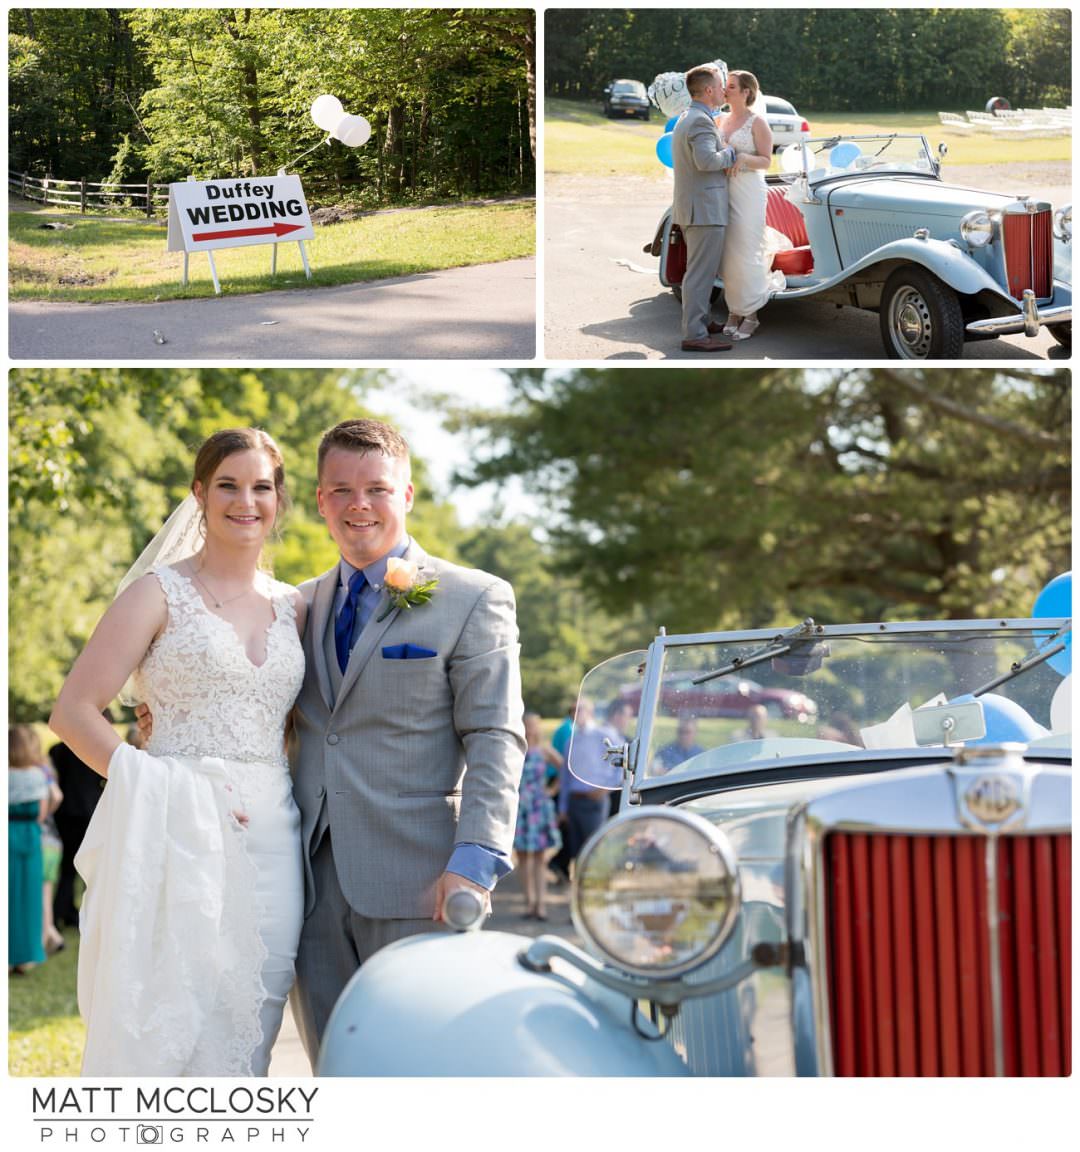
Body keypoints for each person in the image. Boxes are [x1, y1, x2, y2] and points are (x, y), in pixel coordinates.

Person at [49, 428, 306, 1076]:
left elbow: (291, 720)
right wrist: (165, 788)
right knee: (175, 1016)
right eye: (228, 485)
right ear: (198, 493)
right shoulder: (157, 594)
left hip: (275, 838)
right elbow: (73, 712)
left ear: (278, 499)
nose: (245, 501)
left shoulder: (294, 607)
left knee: (255, 1015)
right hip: (178, 833)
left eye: (261, 487)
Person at [287, 418, 525, 1067]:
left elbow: (496, 737)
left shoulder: (473, 597)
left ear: (408, 495)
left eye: (377, 489)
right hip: (307, 886)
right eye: (340, 490)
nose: (358, 505)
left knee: (424, 1069)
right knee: (331, 1064)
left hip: (423, 880)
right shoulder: (296, 607)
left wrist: (475, 861)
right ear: (319, 501)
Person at [672, 63, 737, 352]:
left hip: (695, 207)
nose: (724, 89)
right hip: (704, 210)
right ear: (709, 90)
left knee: (700, 273)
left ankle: (701, 321)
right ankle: (695, 335)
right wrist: (732, 153)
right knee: (700, 275)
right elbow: (706, 161)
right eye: (720, 84)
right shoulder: (698, 121)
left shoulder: (689, 116)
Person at [717, 70, 775, 340]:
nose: (725, 90)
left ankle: (751, 314)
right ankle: (733, 311)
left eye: (730, 86)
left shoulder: (757, 122)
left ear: (746, 92)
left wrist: (742, 157)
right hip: (722, 191)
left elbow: (766, 160)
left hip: (749, 190)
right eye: (724, 86)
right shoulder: (720, 119)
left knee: (746, 249)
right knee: (727, 252)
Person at [49, 724, 106, 931]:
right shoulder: (95, 749)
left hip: (65, 813)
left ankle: (62, 913)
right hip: (89, 812)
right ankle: (82, 916)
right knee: (89, 870)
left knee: (67, 870)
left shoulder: (57, 750)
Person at [513, 712, 563, 921]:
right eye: (527, 725)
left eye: (534, 725)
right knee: (523, 858)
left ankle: (541, 904)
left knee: (540, 859)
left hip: (539, 807)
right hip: (520, 807)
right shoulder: (515, 749)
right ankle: (529, 903)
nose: (531, 729)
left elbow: (564, 769)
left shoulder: (544, 750)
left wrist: (553, 790)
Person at [9, 725, 50, 974]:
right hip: (31, 838)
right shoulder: (38, 775)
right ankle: (25, 956)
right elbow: (42, 813)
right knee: (29, 897)